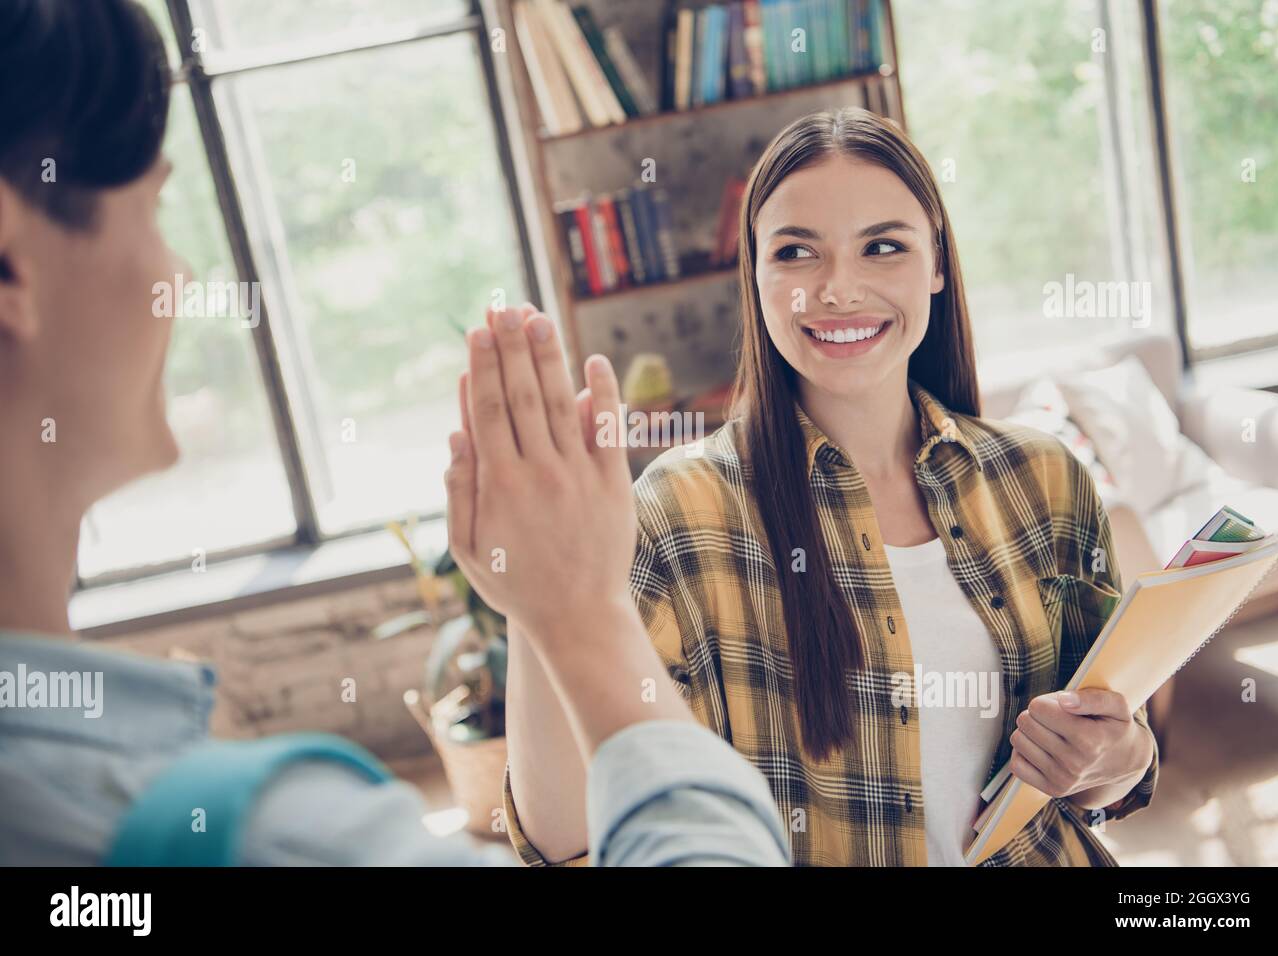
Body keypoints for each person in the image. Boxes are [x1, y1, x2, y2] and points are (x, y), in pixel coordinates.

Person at [0, 0, 790, 867]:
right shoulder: (278, 839)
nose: (179, 276)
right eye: (150, 212)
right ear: (10, 263)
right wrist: (578, 610)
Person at [504, 107, 1159, 867]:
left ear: (938, 264)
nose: (838, 290)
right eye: (795, 254)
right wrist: (538, 598)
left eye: (883, 246)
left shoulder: (1043, 478)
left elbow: (1118, 754)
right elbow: (563, 840)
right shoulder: (677, 517)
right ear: (756, 276)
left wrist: (1119, 759)